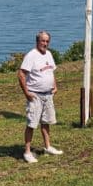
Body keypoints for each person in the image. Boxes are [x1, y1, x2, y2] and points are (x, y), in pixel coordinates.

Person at [18, 30, 63, 163]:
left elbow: (51, 71)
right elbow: (21, 74)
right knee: (32, 124)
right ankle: (27, 152)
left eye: (47, 41)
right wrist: (26, 93)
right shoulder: (31, 56)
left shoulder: (49, 54)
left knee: (46, 122)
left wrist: (55, 86)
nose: (45, 43)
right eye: (43, 41)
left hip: (48, 95)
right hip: (35, 95)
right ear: (37, 41)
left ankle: (47, 146)